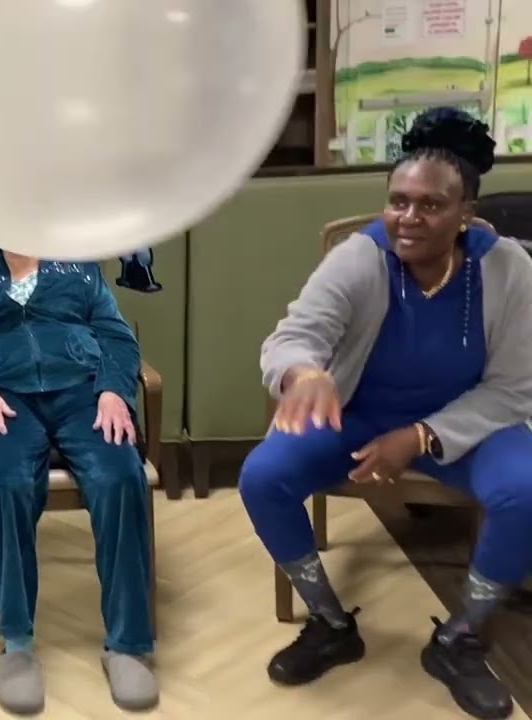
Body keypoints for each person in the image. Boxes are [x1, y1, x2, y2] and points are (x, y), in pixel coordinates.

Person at [240, 107, 532, 720]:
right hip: (360, 414)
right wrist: (306, 372)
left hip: (470, 422)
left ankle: (459, 640)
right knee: (264, 477)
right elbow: (292, 336)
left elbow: (514, 388)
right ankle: (330, 623)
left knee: (525, 490)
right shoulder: (360, 257)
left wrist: (421, 437)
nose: (408, 217)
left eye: (430, 205)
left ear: (465, 215)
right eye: (398, 201)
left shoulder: (507, 269)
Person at [0, 242, 156, 714]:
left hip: (83, 392)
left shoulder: (76, 262)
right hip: (3, 398)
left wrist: (113, 390)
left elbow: (116, 336)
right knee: (6, 484)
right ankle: (17, 644)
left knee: (120, 476)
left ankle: (127, 643)